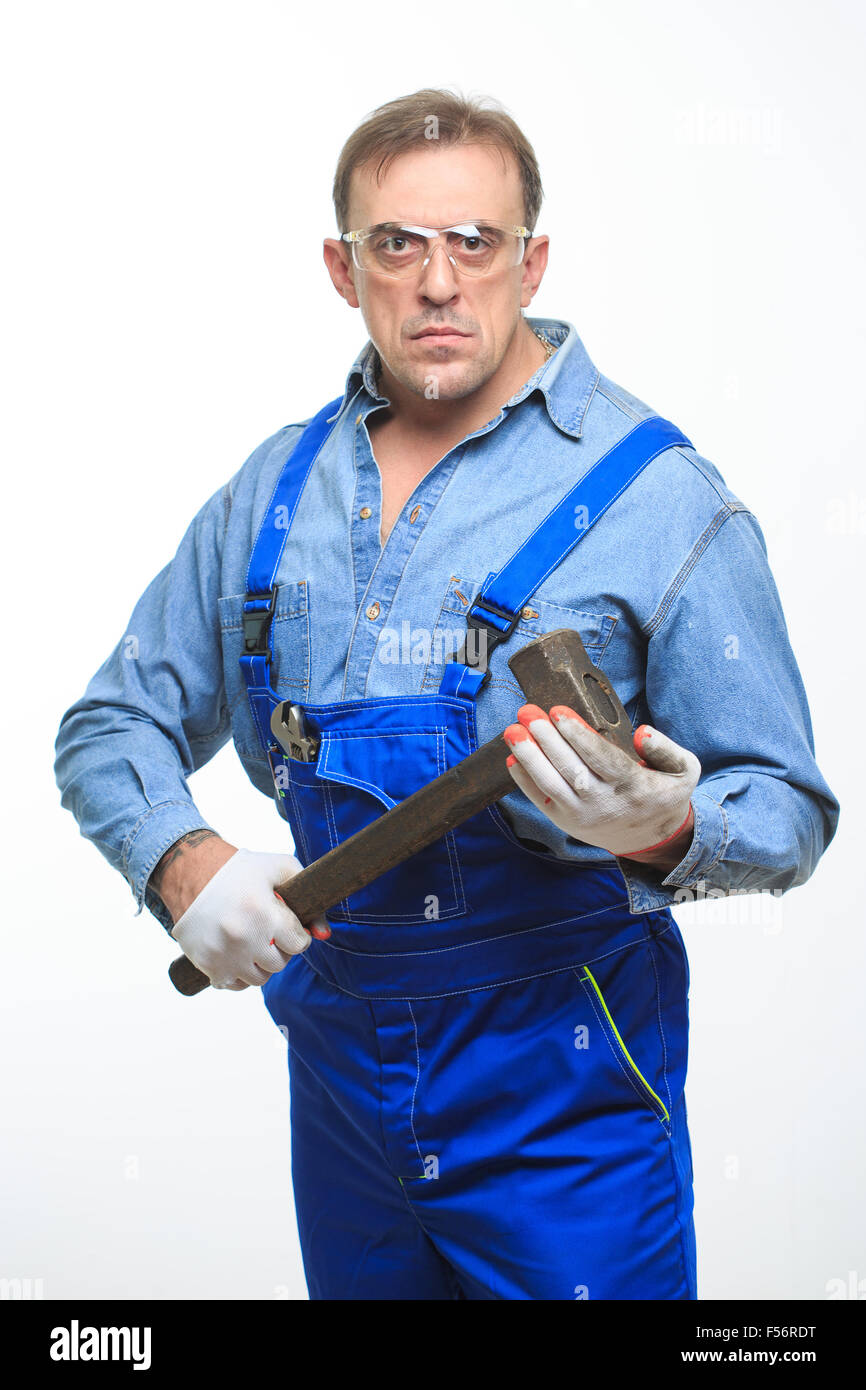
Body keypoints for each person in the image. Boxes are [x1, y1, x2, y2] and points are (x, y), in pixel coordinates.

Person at [54, 88, 839, 1300]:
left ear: (530, 262)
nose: (437, 281)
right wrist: (181, 860)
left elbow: (788, 808)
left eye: (474, 242)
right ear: (341, 265)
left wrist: (666, 824)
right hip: (341, 1097)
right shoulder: (274, 494)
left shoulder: (658, 497)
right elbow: (110, 727)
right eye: (397, 243)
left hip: (562, 1105)